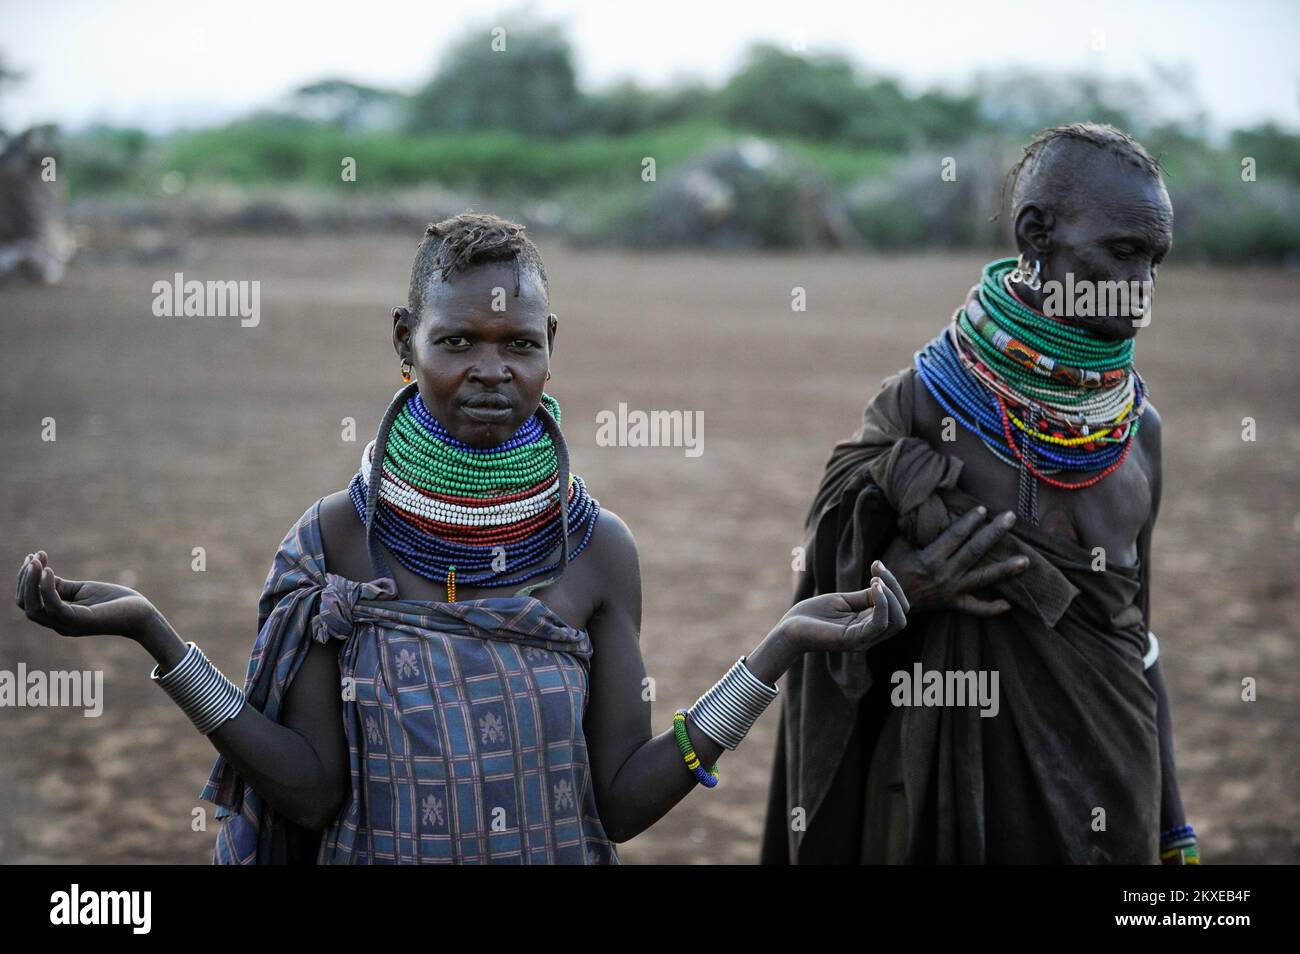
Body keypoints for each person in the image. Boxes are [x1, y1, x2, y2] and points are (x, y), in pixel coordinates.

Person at [16, 211, 911, 864]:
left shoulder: (597, 549)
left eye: (518, 343)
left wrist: (776, 651)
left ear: (550, 346)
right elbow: (310, 788)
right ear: (405, 342)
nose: (491, 370)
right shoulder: (337, 541)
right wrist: (155, 636)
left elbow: (622, 802)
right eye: (458, 342)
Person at [761, 124, 1196, 865]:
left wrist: (1173, 825)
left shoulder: (1137, 432)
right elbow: (833, 585)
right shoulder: (924, 411)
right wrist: (908, 585)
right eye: (1121, 254)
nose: (1143, 289)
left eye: (1154, 261)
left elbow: (1137, 638)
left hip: (1114, 787)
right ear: (1036, 234)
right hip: (942, 792)